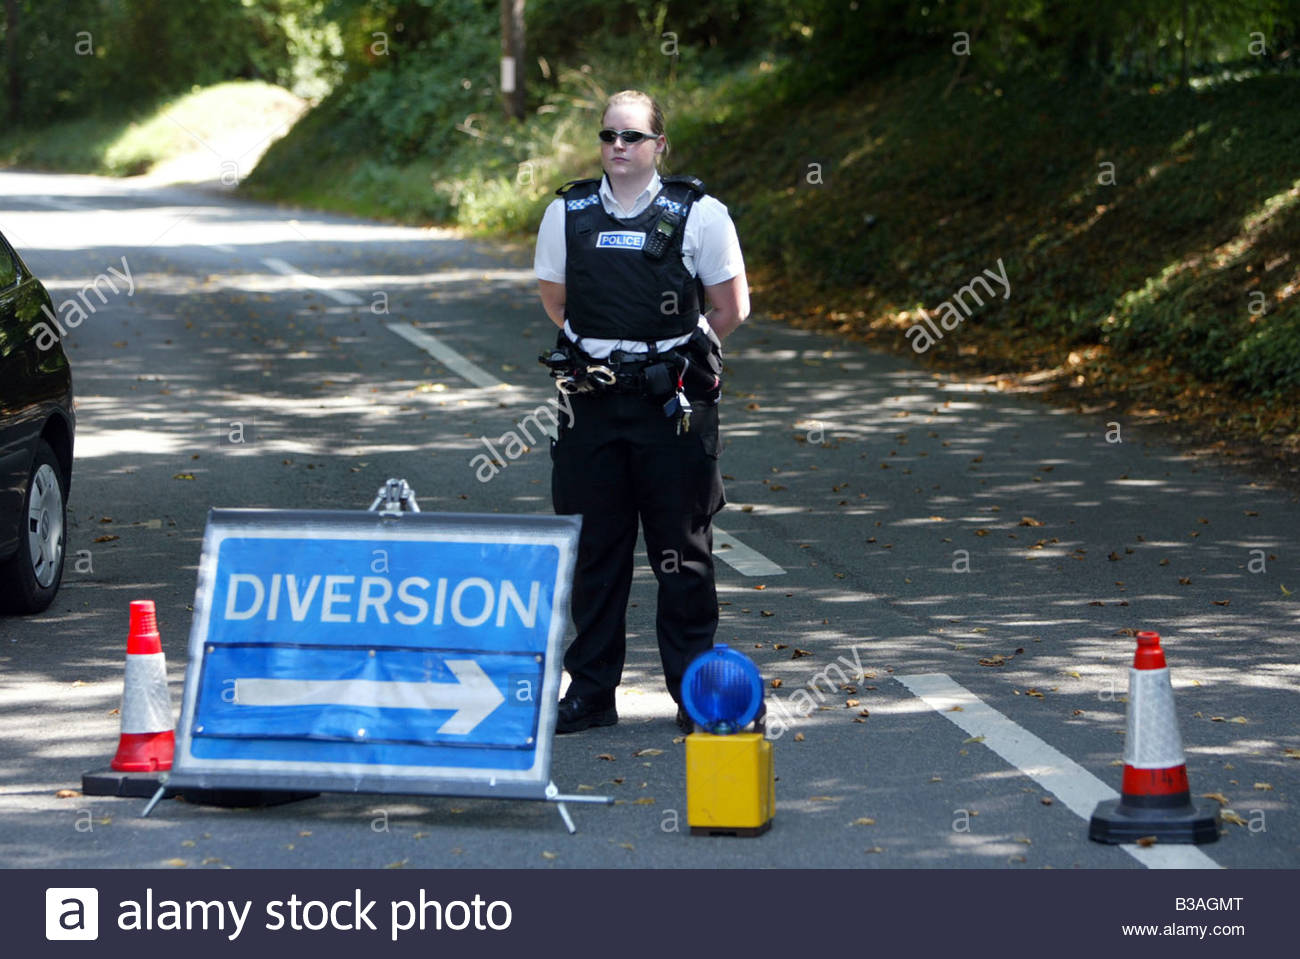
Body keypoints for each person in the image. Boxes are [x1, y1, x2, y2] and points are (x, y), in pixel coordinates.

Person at [533, 89, 749, 735]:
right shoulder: (565, 211)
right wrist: (610, 355)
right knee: (595, 550)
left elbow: (729, 308)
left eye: (631, 136)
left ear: (660, 145)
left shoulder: (701, 214)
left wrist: (674, 358)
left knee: (681, 551)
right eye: (608, 136)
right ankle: (592, 693)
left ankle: (694, 695)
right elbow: (558, 303)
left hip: (670, 405)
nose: (618, 146)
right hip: (591, 404)